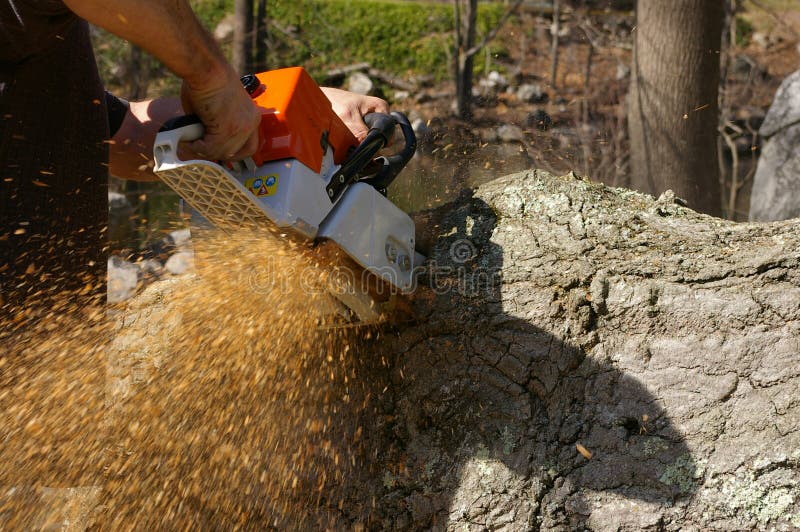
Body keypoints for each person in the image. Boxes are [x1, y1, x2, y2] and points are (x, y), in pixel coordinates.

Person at [0, 0, 389, 310]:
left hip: (55, 370)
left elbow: (126, 133)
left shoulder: (28, 48)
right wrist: (210, 76)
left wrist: (298, 113)